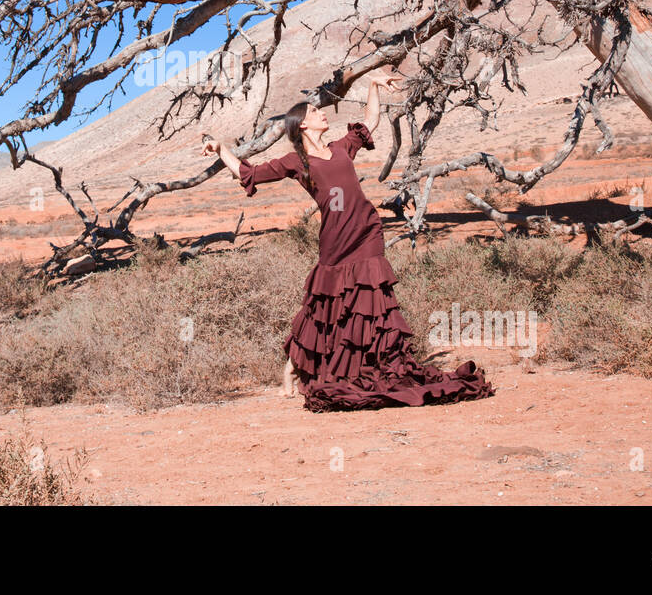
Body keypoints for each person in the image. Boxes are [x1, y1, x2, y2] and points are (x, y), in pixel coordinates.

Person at [200, 69, 496, 412]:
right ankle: (293, 368)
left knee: (374, 300)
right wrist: (222, 147)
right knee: (323, 307)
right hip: (336, 241)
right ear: (302, 126)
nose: (322, 112)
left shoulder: (341, 148)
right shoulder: (295, 162)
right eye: (314, 112)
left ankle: (376, 361)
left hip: (367, 234)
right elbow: (247, 173)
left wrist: (373, 86)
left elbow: (370, 121)